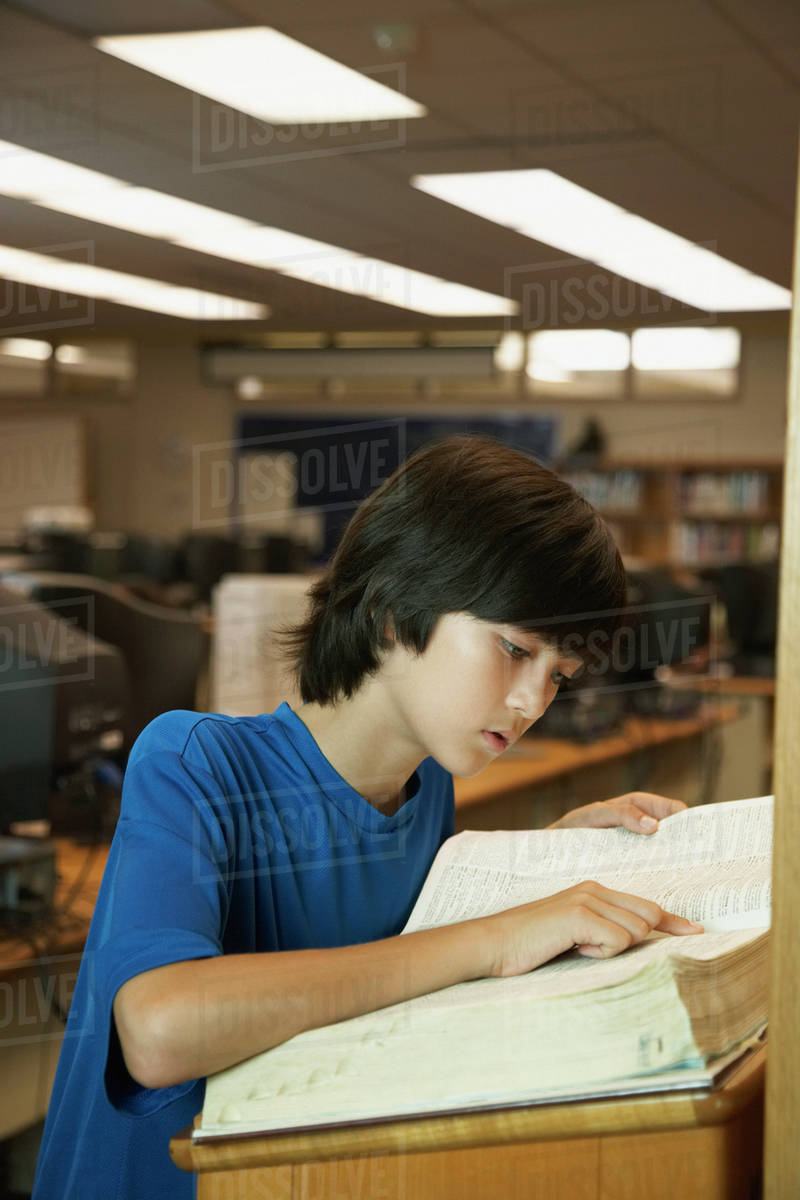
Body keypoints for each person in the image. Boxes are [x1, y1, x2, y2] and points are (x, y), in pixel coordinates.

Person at [32, 435, 701, 1199]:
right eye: (515, 650)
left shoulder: (425, 793)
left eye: (560, 677)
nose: (532, 703)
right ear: (392, 610)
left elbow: (385, 954)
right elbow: (159, 1031)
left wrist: (539, 867)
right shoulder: (196, 762)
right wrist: (494, 936)